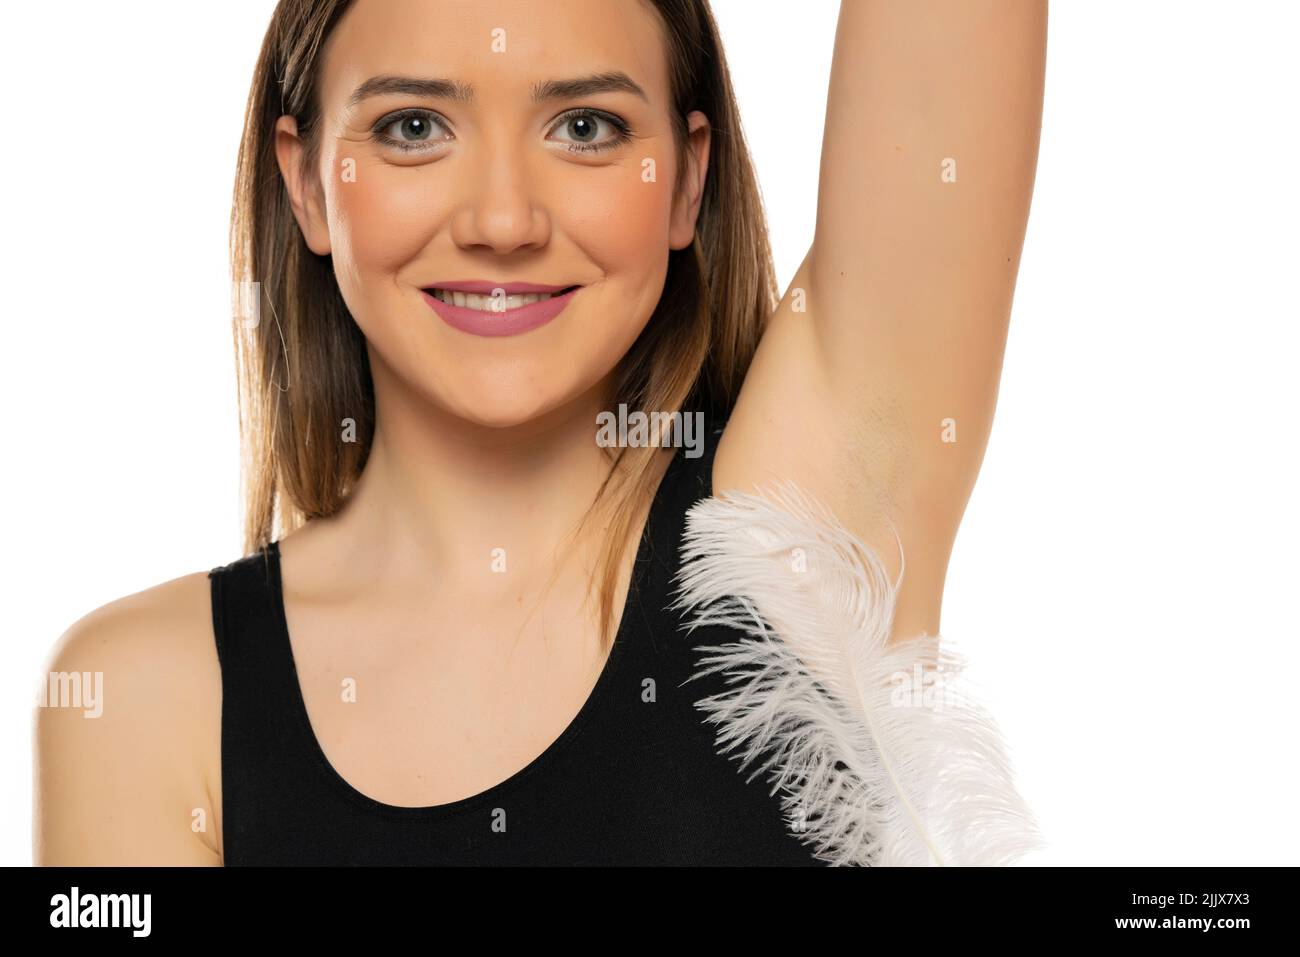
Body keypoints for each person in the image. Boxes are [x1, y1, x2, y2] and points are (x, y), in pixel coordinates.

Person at [34, 0, 1048, 866]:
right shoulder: (142, 698)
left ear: (687, 181)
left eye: (586, 127)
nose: (504, 221)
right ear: (306, 186)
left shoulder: (798, 539)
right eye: (414, 126)